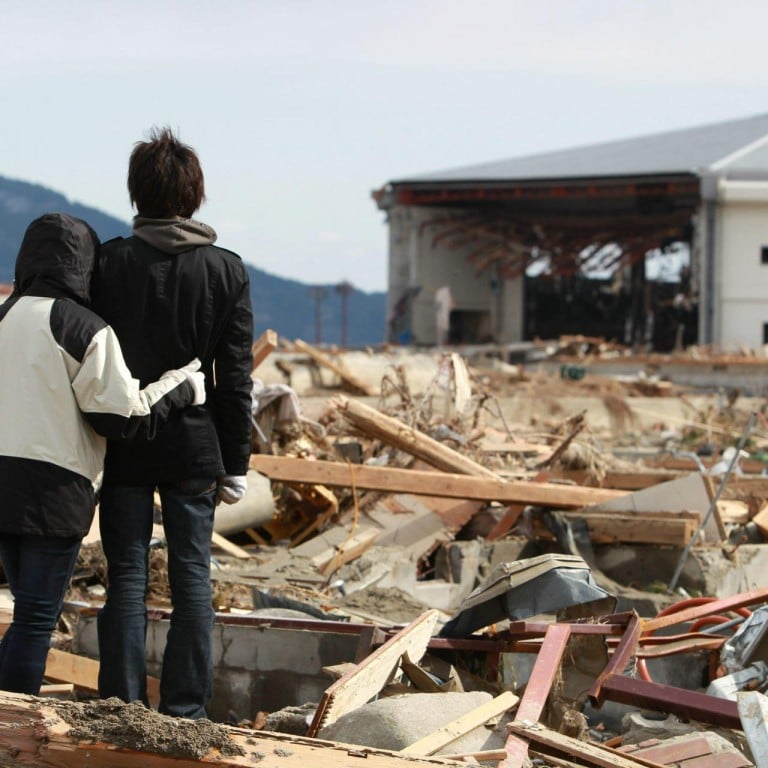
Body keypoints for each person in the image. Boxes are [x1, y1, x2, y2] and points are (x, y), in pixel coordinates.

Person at [0, 212, 206, 696]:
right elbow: (122, 418)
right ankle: (12, 735)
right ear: (85, 265)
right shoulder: (84, 328)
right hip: (53, 492)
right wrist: (182, 386)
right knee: (35, 621)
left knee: (25, 614)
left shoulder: (4, 316)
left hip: (1, 483)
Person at [92, 127, 254, 719]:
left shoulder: (107, 262)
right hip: (194, 444)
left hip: (125, 442)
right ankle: (186, 713)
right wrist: (237, 462)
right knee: (192, 581)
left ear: (137, 192)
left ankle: (121, 706)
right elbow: (235, 379)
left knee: (127, 578)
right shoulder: (226, 270)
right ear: (195, 194)